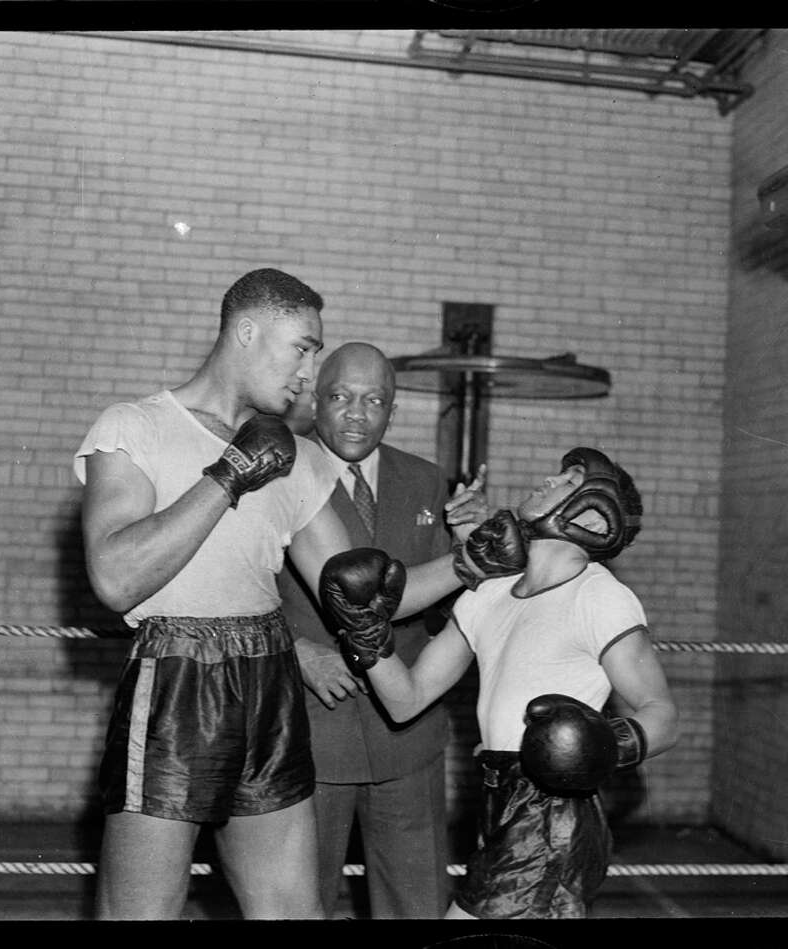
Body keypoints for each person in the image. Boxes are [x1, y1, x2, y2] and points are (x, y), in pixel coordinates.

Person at [73, 268, 504, 920]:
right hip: (177, 676)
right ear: (247, 331)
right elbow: (114, 575)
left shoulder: (295, 458)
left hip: (269, 676)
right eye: (302, 347)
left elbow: (368, 592)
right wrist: (228, 475)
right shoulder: (136, 427)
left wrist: (476, 560)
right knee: (140, 913)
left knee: (294, 911)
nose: (310, 371)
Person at [318, 447, 680, 919]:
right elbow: (407, 699)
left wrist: (599, 743)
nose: (548, 480)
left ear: (594, 514)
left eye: (568, 480)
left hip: (552, 813)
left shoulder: (600, 596)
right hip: (497, 803)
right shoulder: (488, 594)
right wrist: (364, 631)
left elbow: (663, 716)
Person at [275, 341, 487, 918]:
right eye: (341, 396)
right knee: (298, 904)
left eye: (374, 400)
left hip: (408, 736)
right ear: (314, 402)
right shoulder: (279, 473)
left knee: (416, 903)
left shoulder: (426, 481)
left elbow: (450, 609)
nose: (356, 413)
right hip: (309, 732)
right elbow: (237, 592)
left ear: (392, 411)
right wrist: (297, 653)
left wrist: (471, 541)